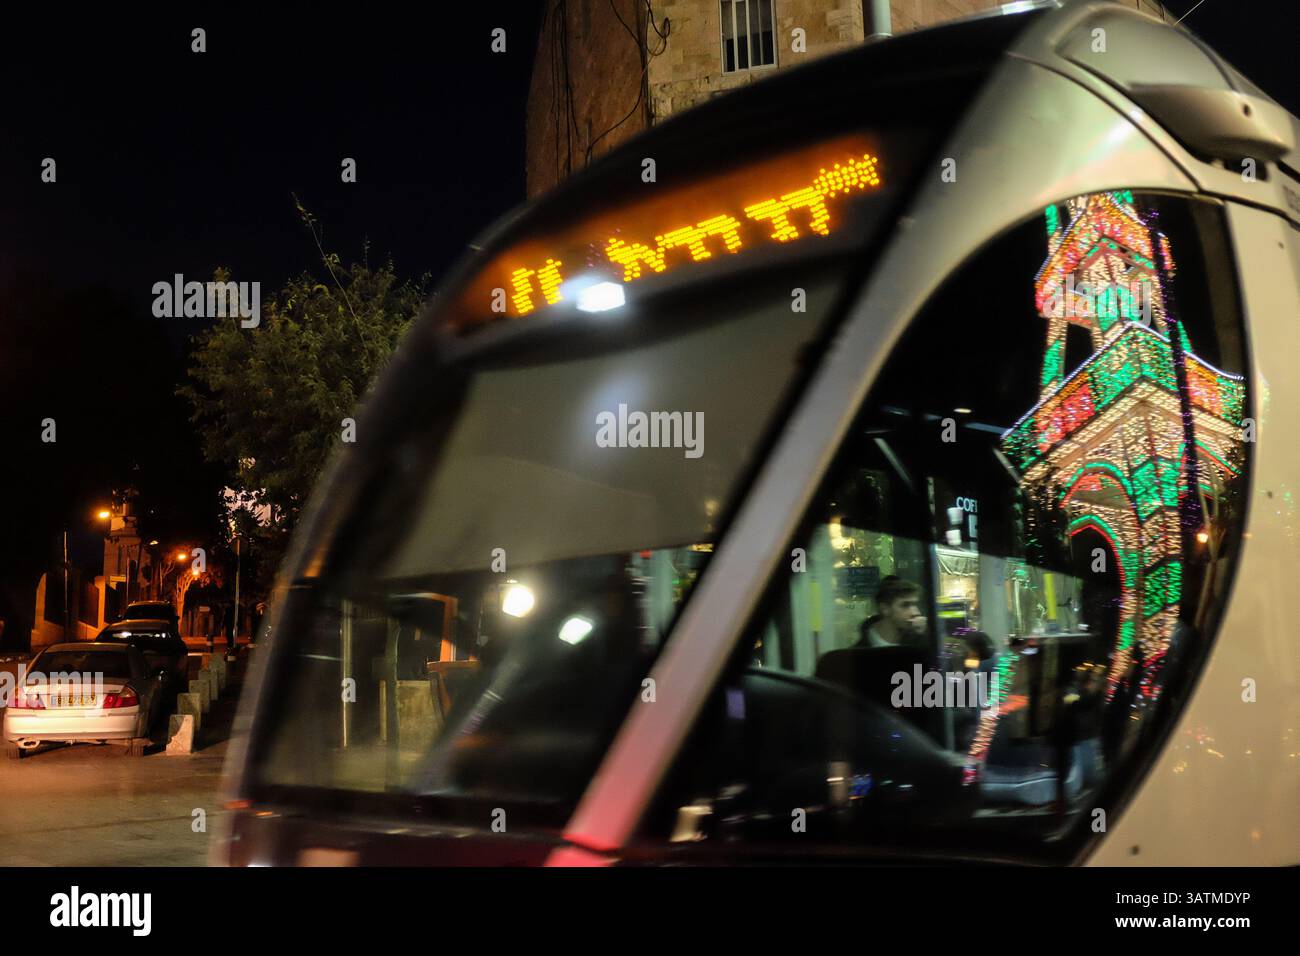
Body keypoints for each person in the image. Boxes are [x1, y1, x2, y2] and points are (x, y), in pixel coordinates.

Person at [855, 575, 928, 649]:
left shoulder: (917, 640)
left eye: (915, 604)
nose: (916, 613)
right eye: (905, 605)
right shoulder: (861, 650)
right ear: (885, 609)